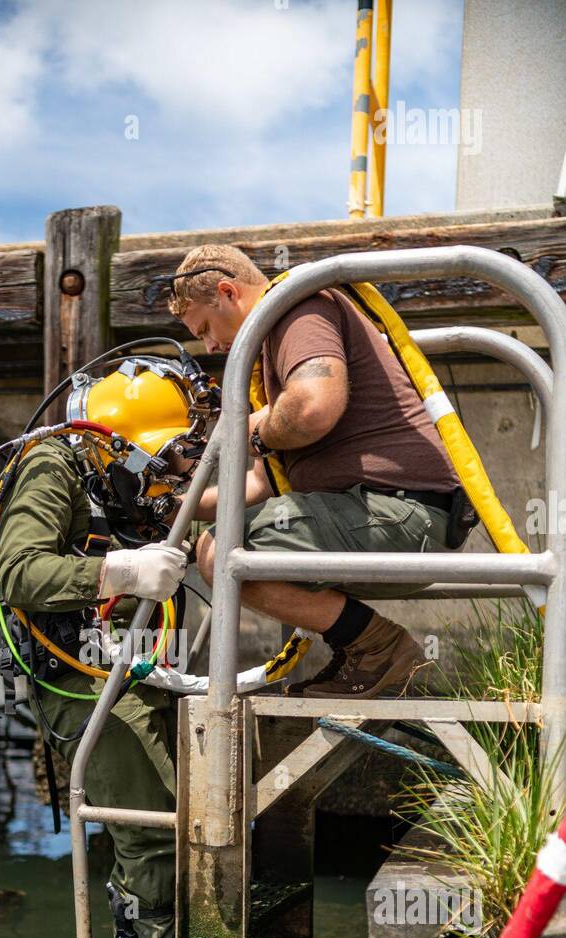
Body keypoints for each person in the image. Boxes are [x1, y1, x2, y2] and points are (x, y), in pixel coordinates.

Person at [0, 352, 208, 938]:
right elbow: (17, 573)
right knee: (149, 837)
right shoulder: (52, 466)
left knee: (188, 820)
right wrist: (120, 573)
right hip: (80, 681)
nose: (164, 475)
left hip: (135, 665)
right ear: (120, 439)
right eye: (161, 457)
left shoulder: (118, 476)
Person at [168, 244, 476, 699]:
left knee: (222, 552)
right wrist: (174, 510)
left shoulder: (300, 308)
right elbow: (259, 482)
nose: (211, 346)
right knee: (215, 544)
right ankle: (367, 653)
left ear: (228, 292)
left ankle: (380, 650)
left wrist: (242, 430)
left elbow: (312, 408)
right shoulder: (271, 350)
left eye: (205, 328)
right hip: (379, 513)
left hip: (399, 511)